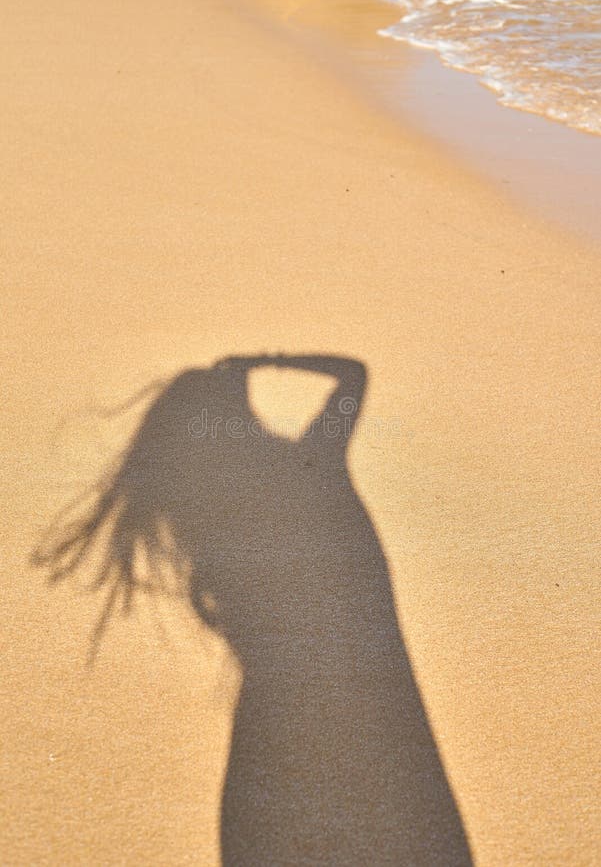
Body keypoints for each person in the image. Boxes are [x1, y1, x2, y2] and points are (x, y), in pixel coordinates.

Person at [34, 354, 472, 865]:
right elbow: (352, 375)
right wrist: (263, 361)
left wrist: (239, 377)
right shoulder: (308, 468)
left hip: (279, 727)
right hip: (365, 711)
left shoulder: (226, 520)